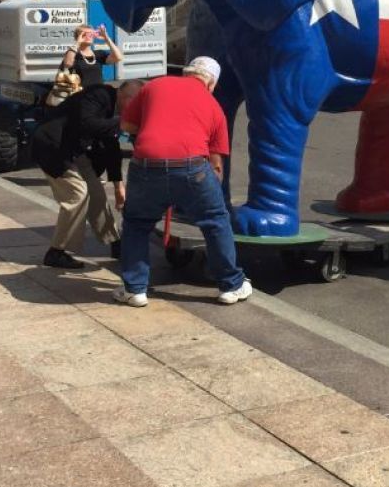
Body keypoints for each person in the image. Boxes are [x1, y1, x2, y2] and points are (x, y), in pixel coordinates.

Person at [115, 56, 250, 308]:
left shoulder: (156, 85)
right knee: (216, 222)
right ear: (211, 83)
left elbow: (127, 124)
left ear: (187, 72)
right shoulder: (213, 106)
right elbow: (216, 163)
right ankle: (231, 286)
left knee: (136, 224)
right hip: (192, 168)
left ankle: (134, 290)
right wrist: (211, 190)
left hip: (146, 165)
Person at [33, 80, 143, 269]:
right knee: (78, 195)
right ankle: (56, 252)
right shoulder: (98, 95)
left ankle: (115, 243)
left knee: (97, 193)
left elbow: (112, 147)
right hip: (53, 147)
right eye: (136, 104)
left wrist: (118, 184)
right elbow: (88, 124)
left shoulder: (115, 109)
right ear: (125, 97)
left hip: (75, 150)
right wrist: (121, 123)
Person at [59, 23, 123, 88]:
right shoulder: (72, 53)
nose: (88, 37)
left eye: (91, 34)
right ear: (78, 37)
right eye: (84, 35)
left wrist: (106, 38)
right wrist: (77, 43)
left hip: (98, 93)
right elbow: (68, 64)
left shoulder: (98, 54)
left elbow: (118, 57)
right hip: (81, 95)